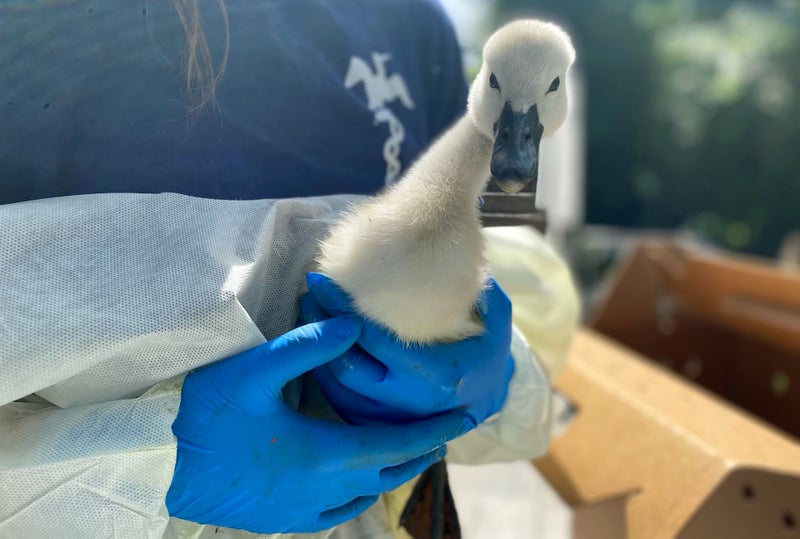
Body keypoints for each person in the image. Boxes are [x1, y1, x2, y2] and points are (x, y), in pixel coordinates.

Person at [0, 1, 553, 537]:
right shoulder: (27, 25)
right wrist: (134, 471)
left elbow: (482, 248)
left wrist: (496, 372)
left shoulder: (409, 27)